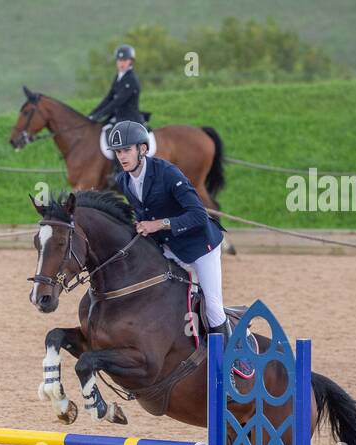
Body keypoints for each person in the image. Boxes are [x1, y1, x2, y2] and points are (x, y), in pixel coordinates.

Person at [105, 120, 252, 377]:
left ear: (142, 149)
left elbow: (197, 215)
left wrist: (158, 224)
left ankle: (234, 360)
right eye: (118, 152)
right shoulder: (124, 181)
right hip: (170, 249)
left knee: (212, 307)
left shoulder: (167, 173)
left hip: (200, 247)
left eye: (126, 150)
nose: (122, 157)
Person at [88, 45, 146, 126]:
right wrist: (92, 114)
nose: (121, 63)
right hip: (118, 117)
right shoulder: (119, 76)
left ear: (131, 61)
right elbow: (108, 98)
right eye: (119, 60)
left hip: (129, 120)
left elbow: (118, 101)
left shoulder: (131, 79)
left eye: (125, 60)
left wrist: (99, 115)